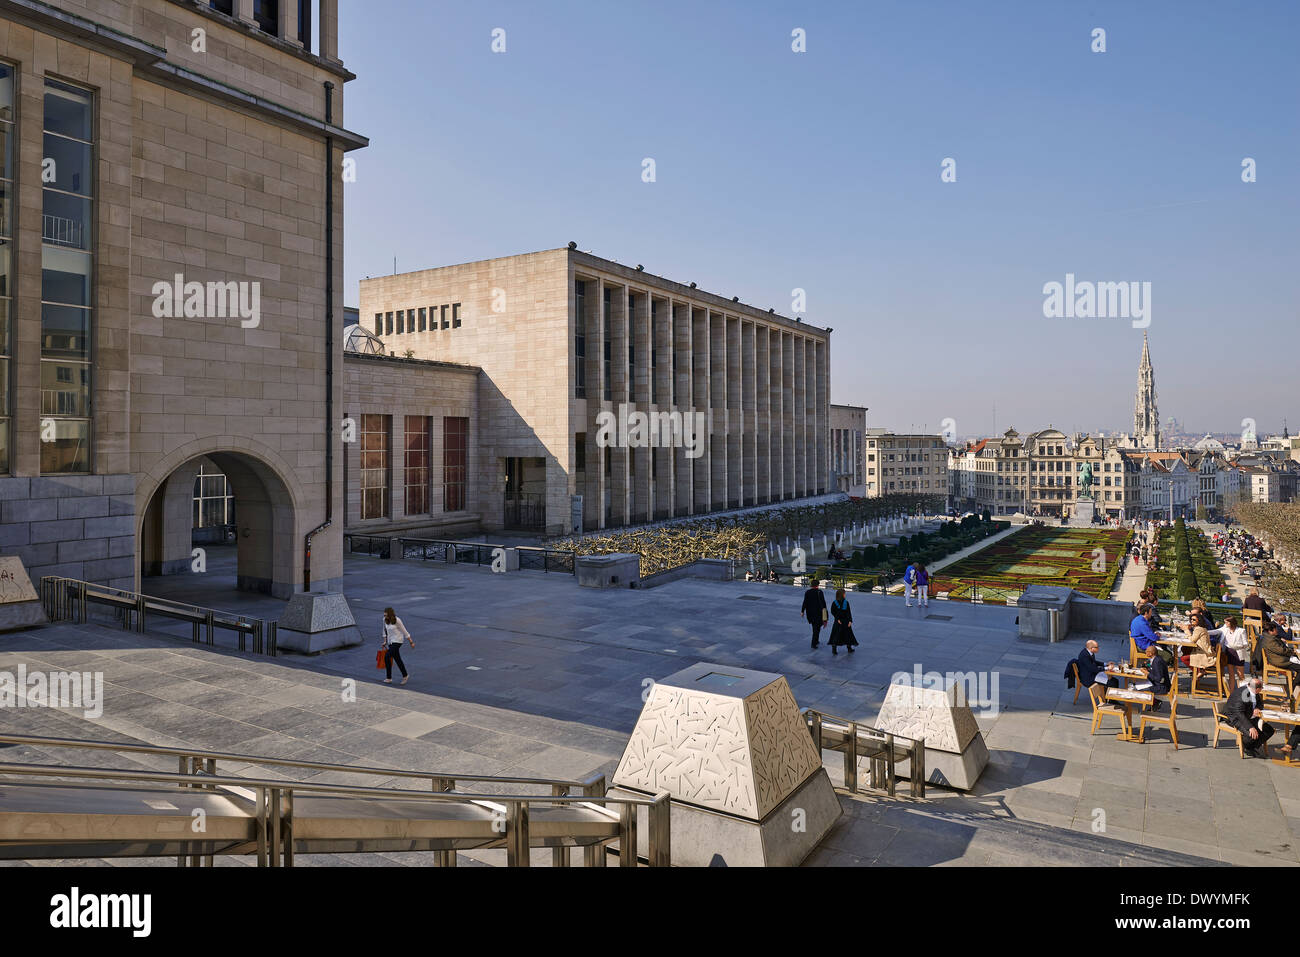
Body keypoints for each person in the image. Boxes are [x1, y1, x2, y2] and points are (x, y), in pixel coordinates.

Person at [1223, 676, 1273, 758]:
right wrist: (1250, 727)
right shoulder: (1242, 695)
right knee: (1252, 734)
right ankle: (1246, 745)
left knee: (1269, 730)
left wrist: (1257, 708)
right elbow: (1239, 713)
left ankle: (1252, 747)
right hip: (1235, 718)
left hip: (1248, 715)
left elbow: (1260, 703)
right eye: (1262, 688)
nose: (1262, 689)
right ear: (1257, 689)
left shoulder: (1253, 691)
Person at [1208, 615, 1249, 684]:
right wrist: (1203, 631)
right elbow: (1215, 631)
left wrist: (1237, 646)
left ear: (1231, 622)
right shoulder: (1225, 629)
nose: (1225, 624)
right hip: (1229, 652)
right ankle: (1230, 692)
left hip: (1238, 653)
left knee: (1240, 675)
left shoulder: (1241, 631)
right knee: (1231, 675)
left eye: (1226, 622)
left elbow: (1246, 644)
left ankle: (1243, 692)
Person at [1130, 604, 1174, 668]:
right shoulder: (1142, 623)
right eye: (1150, 612)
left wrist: (1154, 634)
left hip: (1141, 643)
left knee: (1166, 650)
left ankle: (1154, 666)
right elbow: (1154, 638)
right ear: (1146, 613)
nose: (1151, 614)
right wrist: (1157, 635)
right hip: (1144, 646)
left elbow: (1149, 633)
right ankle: (1150, 666)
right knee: (1168, 656)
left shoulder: (1138, 619)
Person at [381, 606, 415, 685]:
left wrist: (411, 642)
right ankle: (405, 675)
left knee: (387, 656)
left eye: (386, 615)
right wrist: (385, 641)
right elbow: (384, 631)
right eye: (384, 615)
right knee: (397, 659)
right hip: (390, 642)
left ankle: (389, 678)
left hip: (398, 641)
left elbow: (404, 631)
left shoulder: (397, 620)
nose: (384, 617)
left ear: (390, 615)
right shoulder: (384, 620)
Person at [1260, 620, 1300, 684]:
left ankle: (1296, 683)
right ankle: (1294, 686)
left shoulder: (1268, 637)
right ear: (1270, 631)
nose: (1277, 631)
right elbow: (1281, 651)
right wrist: (1292, 651)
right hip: (1280, 660)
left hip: (1277, 658)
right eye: (1276, 629)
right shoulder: (1270, 640)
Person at [827, 588, 858, 656]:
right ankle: (834, 648)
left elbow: (848, 612)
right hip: (840, 621)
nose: (845, 595)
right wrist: (838, 619)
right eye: (844, 594)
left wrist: (850, 620)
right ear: (842, 595)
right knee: (838, 635)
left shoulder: (845, 602)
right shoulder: (836, 603)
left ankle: (848, 648)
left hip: (844, 621)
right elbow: (833, 611)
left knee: (846, 634)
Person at [801, 578, 828, 650]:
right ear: (817, 585)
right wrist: (825, 613)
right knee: (817, 628)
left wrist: (802, 611)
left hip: (810, 613)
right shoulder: (820, 592)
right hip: (818, 613)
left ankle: (816, 640)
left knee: (815, 627)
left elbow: (805, 602)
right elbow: (823, 603)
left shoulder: (807, 592)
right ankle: (814, 643)